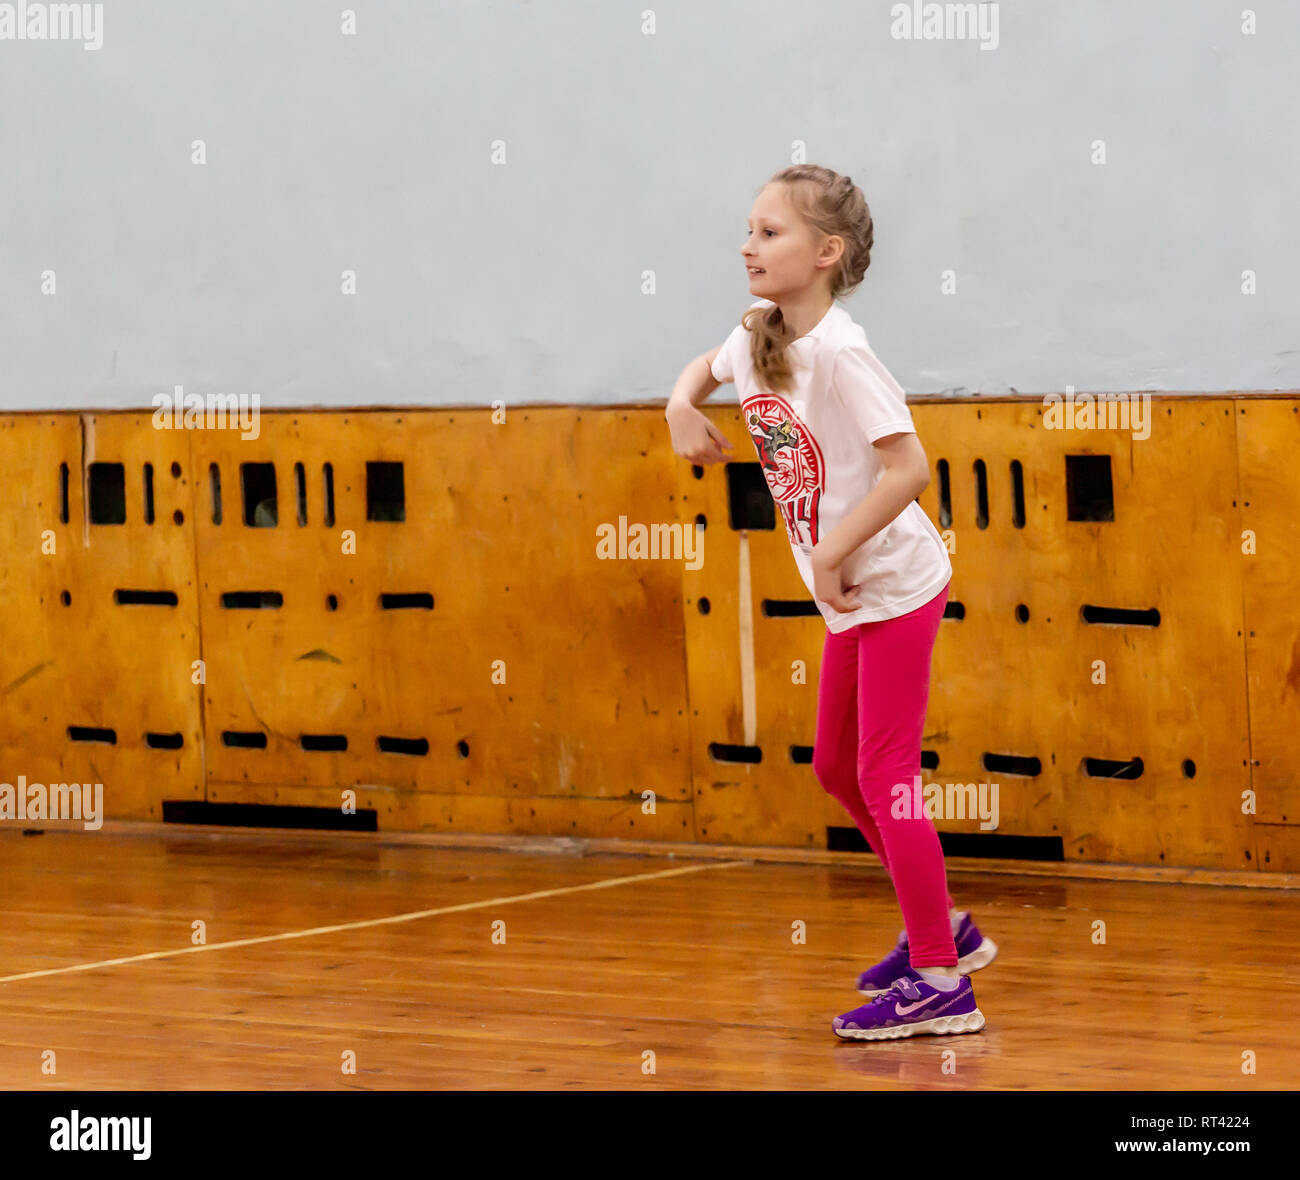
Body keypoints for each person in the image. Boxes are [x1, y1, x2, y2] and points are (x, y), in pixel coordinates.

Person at [665, 164, 996, 1041]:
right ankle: (947, 929)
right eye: (749, 228)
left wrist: (835, 551)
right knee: (834, 768)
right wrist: (678, 405)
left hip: (893, 585)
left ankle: (940, 980)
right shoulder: (759, 336)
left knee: (886, 779)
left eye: (769, 232)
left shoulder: (843, 352)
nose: (748, 244)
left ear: (826, 253)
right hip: (848, 592)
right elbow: (707, 365)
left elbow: (911, 470)